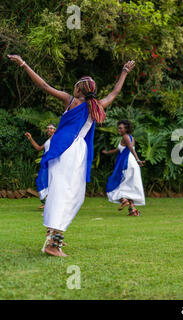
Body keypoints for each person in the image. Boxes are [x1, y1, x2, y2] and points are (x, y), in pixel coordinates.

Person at [8, 54, 135, 256]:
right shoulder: (96, 106)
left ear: (78, 89)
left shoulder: (71, 101)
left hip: (63, 149)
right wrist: (124, 72)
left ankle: (53, 236)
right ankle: (53, 243)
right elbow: (115, 92)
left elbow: (44, 86)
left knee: (63, 191)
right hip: (74, 152)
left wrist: (24, 64)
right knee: (69, 194)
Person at [103, 120, 145, 216]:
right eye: (118, 127)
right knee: (129, 186)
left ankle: (124, 200)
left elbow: (130, 148)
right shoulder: (129, 137)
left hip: (127, 163)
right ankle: (133, 210)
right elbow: (118, 149)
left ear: (126, 129)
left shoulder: (126, 137)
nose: (119, 129)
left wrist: (138, 159)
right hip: (132, 164)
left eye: (121, 128)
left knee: (116, 183)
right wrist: (108, 152)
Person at [25, 123, 56, 209]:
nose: (49, 129)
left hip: (50, 163)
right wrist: (30, 138)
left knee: (43, 181)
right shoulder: (47, 141)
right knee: (40, 181)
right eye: (47, 128)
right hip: (44, 163)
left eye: (51, 128)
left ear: (55, 130)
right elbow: (38, 148)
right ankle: (45, 202)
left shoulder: (56, 138)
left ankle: (48, 204)